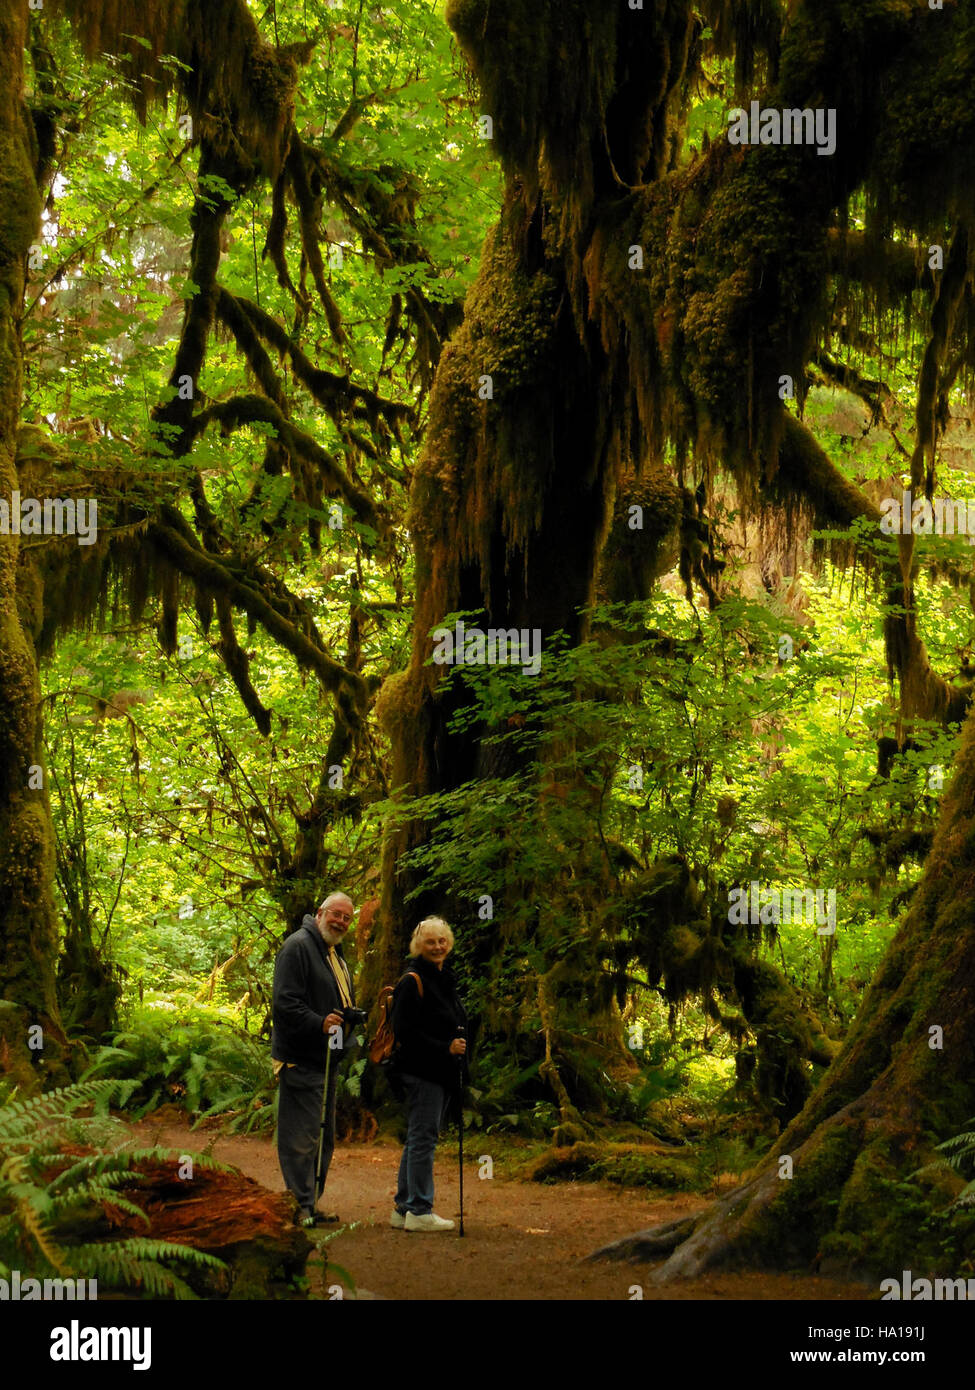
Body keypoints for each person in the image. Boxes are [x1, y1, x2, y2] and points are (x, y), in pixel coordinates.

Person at [271, 891, 356, 1227]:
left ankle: (311, 1202)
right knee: (300, 1137)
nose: (341, 922)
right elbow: (285, 1003)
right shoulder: (298, 947)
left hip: (327, 1060)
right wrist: (319, 1022)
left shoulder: (331, 953)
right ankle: (298, 1206)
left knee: (323, 1136)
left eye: (348, 918)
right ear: (320, 912)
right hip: (301, 1058)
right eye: (336, 914)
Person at [389, 916, 468, 1233]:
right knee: (423, 1139)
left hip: (437, 1072)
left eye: (441, 941)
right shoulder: (412, 980)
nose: (437, 946)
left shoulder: (441, 976)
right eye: (431, 942)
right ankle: (420, 1209)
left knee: (416, 1138)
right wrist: (444, 1048)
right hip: (423, 1072)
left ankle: (404, 1207)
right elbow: (404, 1032)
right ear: (418, 945)